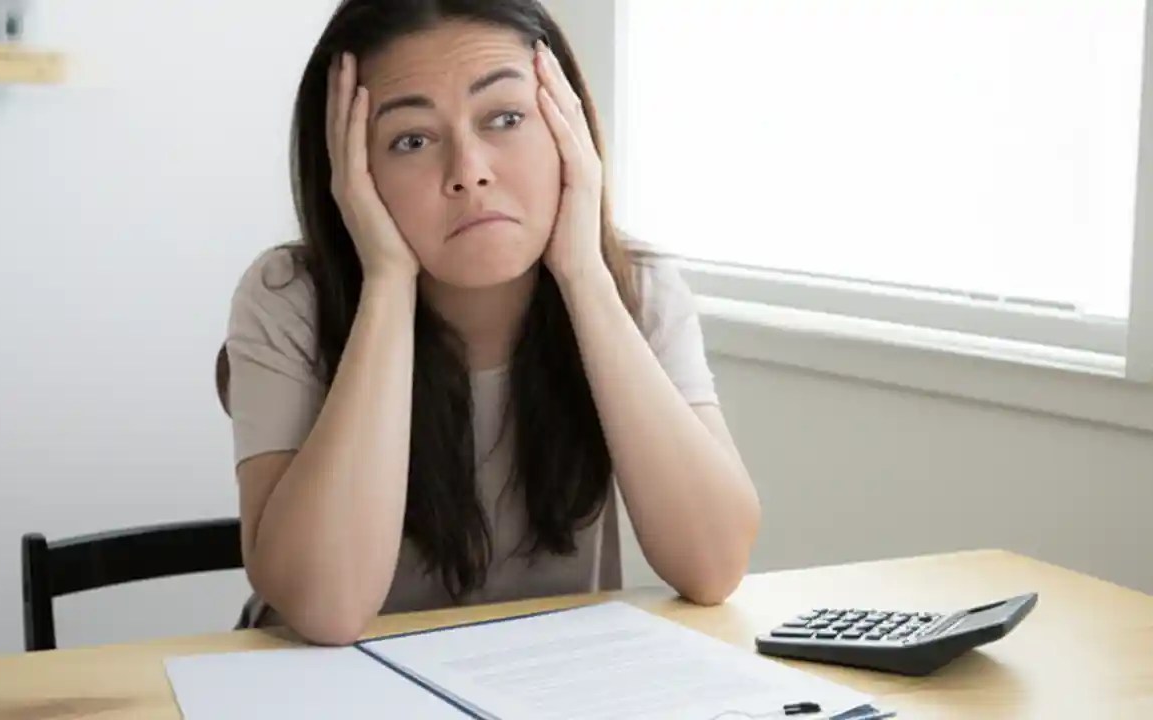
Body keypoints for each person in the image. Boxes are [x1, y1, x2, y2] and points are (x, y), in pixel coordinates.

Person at [222, 0, 761, 646]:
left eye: (505, 118)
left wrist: (583, 275)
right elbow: (326, 609)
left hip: (547, 679)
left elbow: (713, 566)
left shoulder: (636, 288)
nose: (470, 172)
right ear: (349, 169)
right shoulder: (287, 299)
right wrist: (387, 285)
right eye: (412, 140)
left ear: (567, 126)